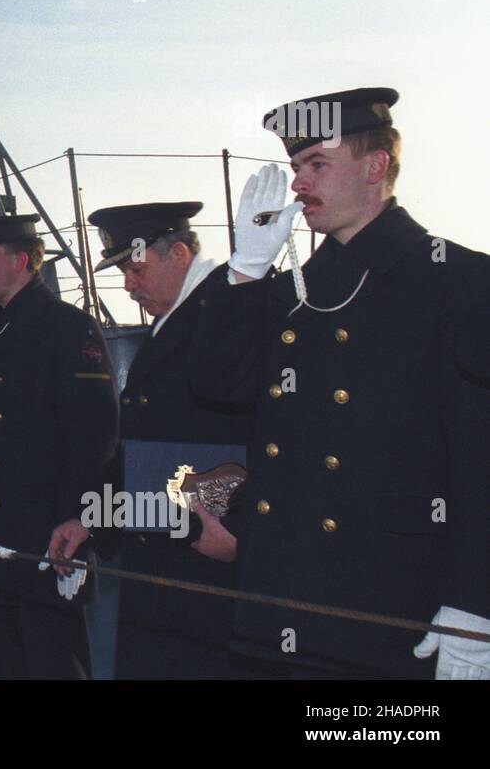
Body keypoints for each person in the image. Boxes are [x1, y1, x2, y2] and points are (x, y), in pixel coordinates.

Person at [190, 87, 490, 679]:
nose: (299, 185)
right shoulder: (293, 290)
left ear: (376, 166)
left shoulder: (460, 282)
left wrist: (475, 607)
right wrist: (247, 271)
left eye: (317, 165)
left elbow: (481, 460)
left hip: (392, 607)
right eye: (296, 168)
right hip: (282, 599)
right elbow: (217, 387)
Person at [0, 215, 119, 679]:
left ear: (21, 261)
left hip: (44, 534)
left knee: (53, 663)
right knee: (5, 662)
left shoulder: (66, 326)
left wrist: (81, 517)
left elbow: (95, 431)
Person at [86, 201, 254, 679]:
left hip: (210, 563)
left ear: (178, 253)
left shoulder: (230, 311)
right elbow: (140, 443)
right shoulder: (174, 320)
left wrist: (244, 534)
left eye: (135, 270)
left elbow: (275, 435)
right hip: (163, 552)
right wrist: (91, 518)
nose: (128, 284)